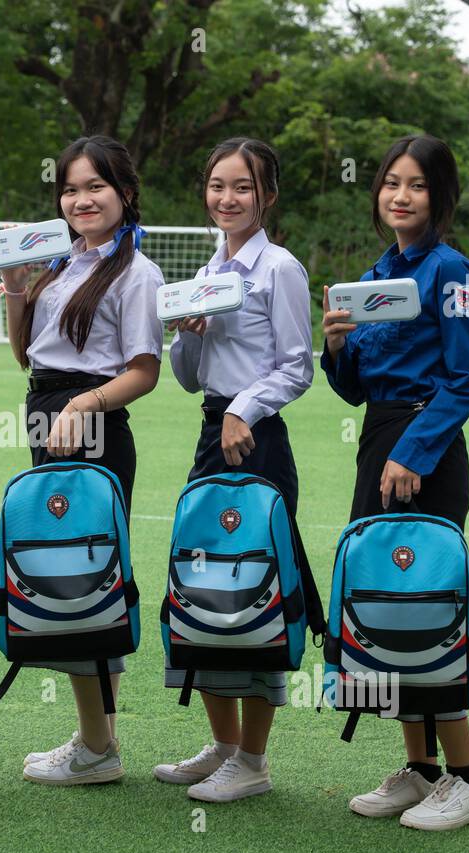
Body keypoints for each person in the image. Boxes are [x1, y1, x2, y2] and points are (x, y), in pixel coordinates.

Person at [320, 133, 469, 830]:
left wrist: (415, 453)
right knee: (385, 607)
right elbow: (355, 387)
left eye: (416, 185)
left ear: (439, 195)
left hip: (426, 451)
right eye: (391, 182)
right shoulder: (377, 275)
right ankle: (421, 769)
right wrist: (335, 347)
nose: (400, 195)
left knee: (425, 608)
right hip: (379, 446)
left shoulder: (453, 273)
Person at [0, 134, 164, 786]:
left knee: (82, 580)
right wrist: (17, 291)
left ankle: (97, 749)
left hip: (90, 427)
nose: (81, 198)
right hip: (48, 415)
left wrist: (85, 406)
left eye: (95, 186)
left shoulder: (138, 273)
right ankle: (97, 740)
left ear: (124, 192)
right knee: (65, 576)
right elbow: (29, 359)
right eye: (70, 188)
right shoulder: (57, 264)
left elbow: (145, 372)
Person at [158, 137, 318, 802]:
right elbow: (194, 377)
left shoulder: (280, 269)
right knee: (203, 589)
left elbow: (297, 366)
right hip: (211, 433)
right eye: (218, 185)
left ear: (268, 196)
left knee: (253, 594)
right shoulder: (207, 270)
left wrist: (245, 411)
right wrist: (187, 337)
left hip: (258, 442)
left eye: (243, 187)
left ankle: (252, 760)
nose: (228, 198)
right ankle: (222, 746)